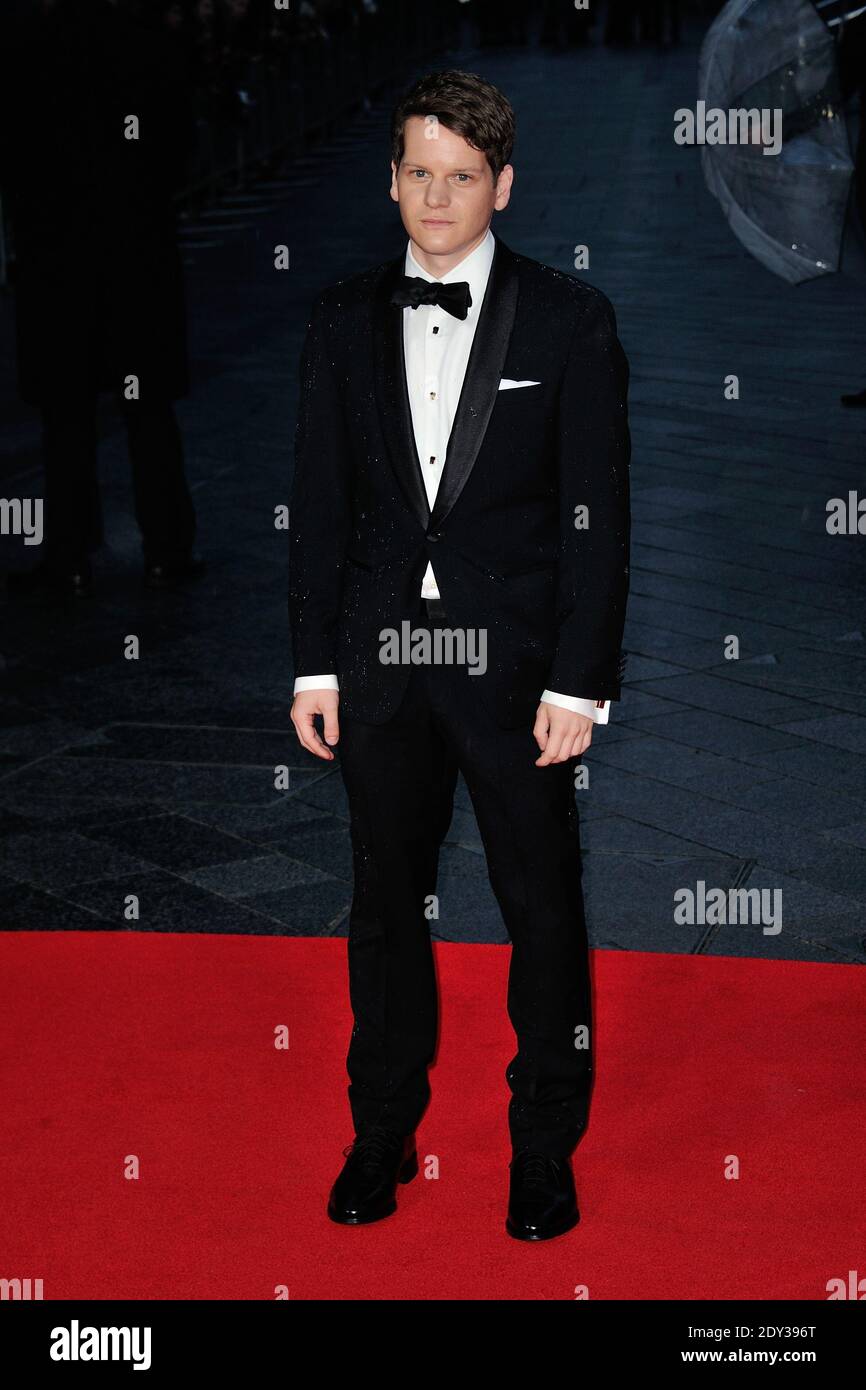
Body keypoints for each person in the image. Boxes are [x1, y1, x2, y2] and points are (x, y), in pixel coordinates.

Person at [288, 70, 631, 1241]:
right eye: (417, 174)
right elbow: (319, 509)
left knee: (541, 906)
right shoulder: (338, 320)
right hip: (382, 654)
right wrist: (313, 667)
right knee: (384, 905)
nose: (436, 200)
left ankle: (542, 1146)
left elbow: (597, 515)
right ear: (391, 181)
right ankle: (378, 1133)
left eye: (461, 178)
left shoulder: (568, 320)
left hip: (515, 661)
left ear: (503, 188)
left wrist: (578, 681)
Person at [2, 0, 202, 599]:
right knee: (147, 408)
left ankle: (68, 554)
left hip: (56, 253)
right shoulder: (145, 36)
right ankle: (167, 549)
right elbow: (178, 144)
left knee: (66, 414)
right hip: (134, 248)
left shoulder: (26, 37)